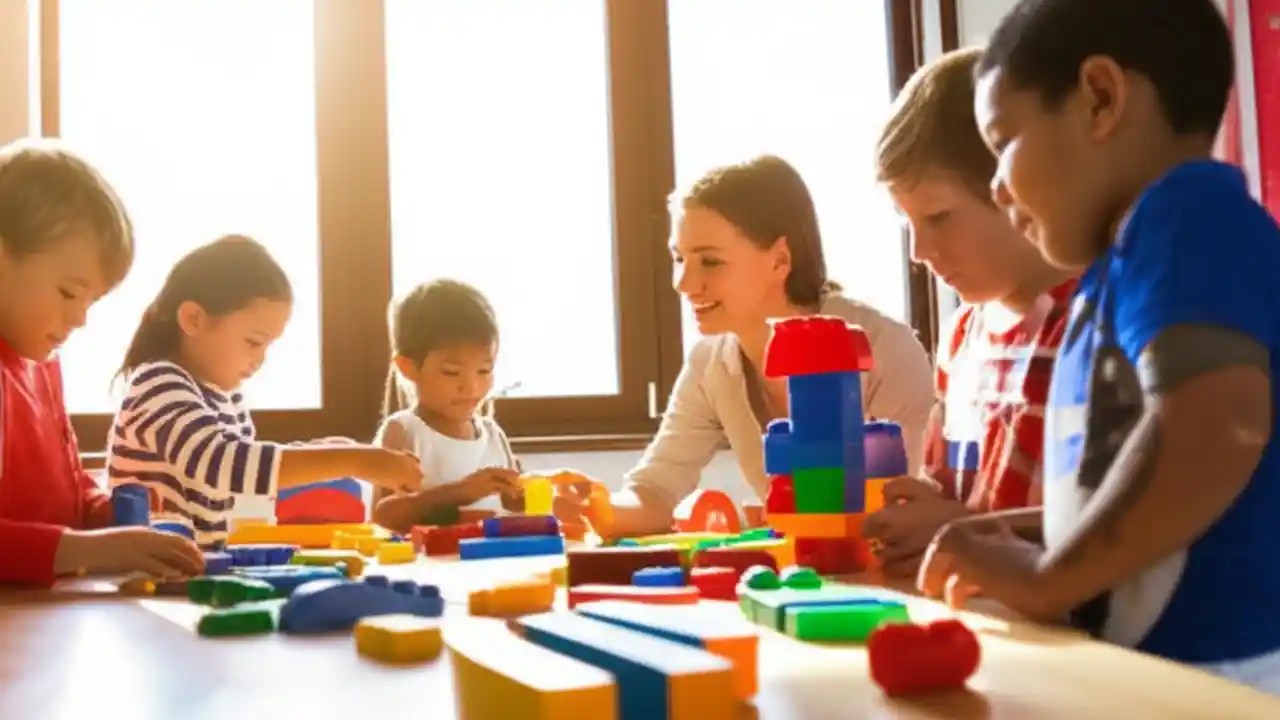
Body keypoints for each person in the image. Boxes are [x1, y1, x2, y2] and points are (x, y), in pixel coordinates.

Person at [919, 0, 1280, 693]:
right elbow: (1115, 487)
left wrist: (1049, 579)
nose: (997, 187)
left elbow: (1217, 429)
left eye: (1001, 142)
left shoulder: (1185, 214)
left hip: (1231, 678)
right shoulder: (1119, 272)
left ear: (1100, 98)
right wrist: (1008, 537)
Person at [557, 155, 934, 537]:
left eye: (710, 261)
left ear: (780, 260)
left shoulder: (885, 348)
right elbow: (655, 491)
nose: (683, 284)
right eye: (678, 259)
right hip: (804, 575)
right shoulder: (711, 365)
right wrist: (596, 508)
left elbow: (897, 506)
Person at [861, 47, 1076, 577]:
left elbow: (1121, 523)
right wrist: (919, 508)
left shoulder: (1097, 323)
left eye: (938, 216)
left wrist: (960, 528)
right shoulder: (963, 337)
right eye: (906, 222)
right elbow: (951, 486)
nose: (918, 251)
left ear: (1019, 190)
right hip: (974, 617)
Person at [107, 236, 421, 549]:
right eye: (253, 342)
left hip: (197, 562)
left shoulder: (224, 396)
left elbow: (248, 472)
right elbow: (223, 463)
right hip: (145, 571)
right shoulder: (158, 383)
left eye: (268, 344)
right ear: (194, 319)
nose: (260, 359)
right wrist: (354, 460)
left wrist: (321, 451)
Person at [0, 139, 204, 584]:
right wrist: (89, 547)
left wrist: (107, 511)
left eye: (92, 300)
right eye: (69, 292)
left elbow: (62, 495)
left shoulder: (41, 363)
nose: (79, 317)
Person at [371, 279, 522, 534]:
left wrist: (548, 493)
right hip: (428, 569)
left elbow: (516, 506)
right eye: (452, 372)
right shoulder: (404, 430)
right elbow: (384, 516)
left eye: (484, 370)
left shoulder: (492, 434)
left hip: (492, 565)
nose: (472, 387)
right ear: (408, 367)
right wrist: (460, 493)